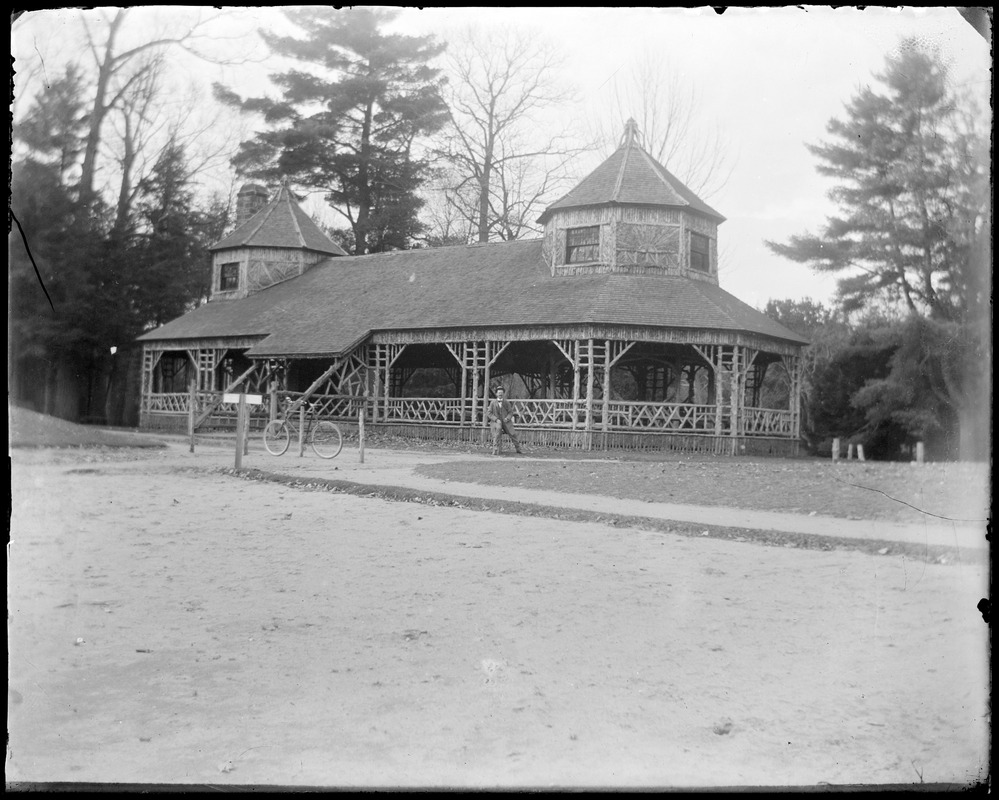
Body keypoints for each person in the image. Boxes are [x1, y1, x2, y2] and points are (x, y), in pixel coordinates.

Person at [487, 387, 523, 455]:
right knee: (497, 432)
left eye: (501, 393)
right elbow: (489, 413)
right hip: (496, 422)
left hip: (506, 422)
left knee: (513, 433)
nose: (500, 394)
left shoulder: (506, 402)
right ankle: (495, 449)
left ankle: (518, 449)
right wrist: (496, 419)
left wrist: (507, 418)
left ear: (503, 394)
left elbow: (510, 412)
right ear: (496, 394)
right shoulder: (492, 403)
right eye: (499, 393)